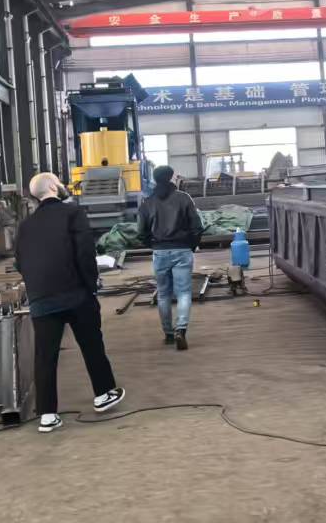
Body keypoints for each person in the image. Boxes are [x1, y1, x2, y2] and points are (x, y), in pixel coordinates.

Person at [15, 172, 123, 432]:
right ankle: (103, 394)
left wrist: (37, 287)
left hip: (41, 299)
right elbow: (85, 253)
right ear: (53, 187)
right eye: (59, 182)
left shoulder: (25, 226)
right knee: (91, 344)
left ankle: (47, 415)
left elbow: (20, 262)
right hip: (75, 294)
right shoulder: (72, 213)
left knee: (45, 356)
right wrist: (91, 286)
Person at [137, 165, 204, 350]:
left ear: (154, 179)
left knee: (163, 294)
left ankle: (168, 333)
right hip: (182, 250)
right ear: (171, 177)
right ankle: (180, 330)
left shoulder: (147, 202)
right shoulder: (184, 198)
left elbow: (141, 233)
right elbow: (197, 226)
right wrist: (191, 245)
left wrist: (154, 245)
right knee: (183, 293)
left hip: (160, 252)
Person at [227, 228, 251, 297]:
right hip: (241, 264)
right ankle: (238, 287)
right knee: (237, 272)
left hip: (238, 264)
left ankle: (235, 287)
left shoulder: (234, 244)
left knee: (235, 271)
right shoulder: (244, 243)